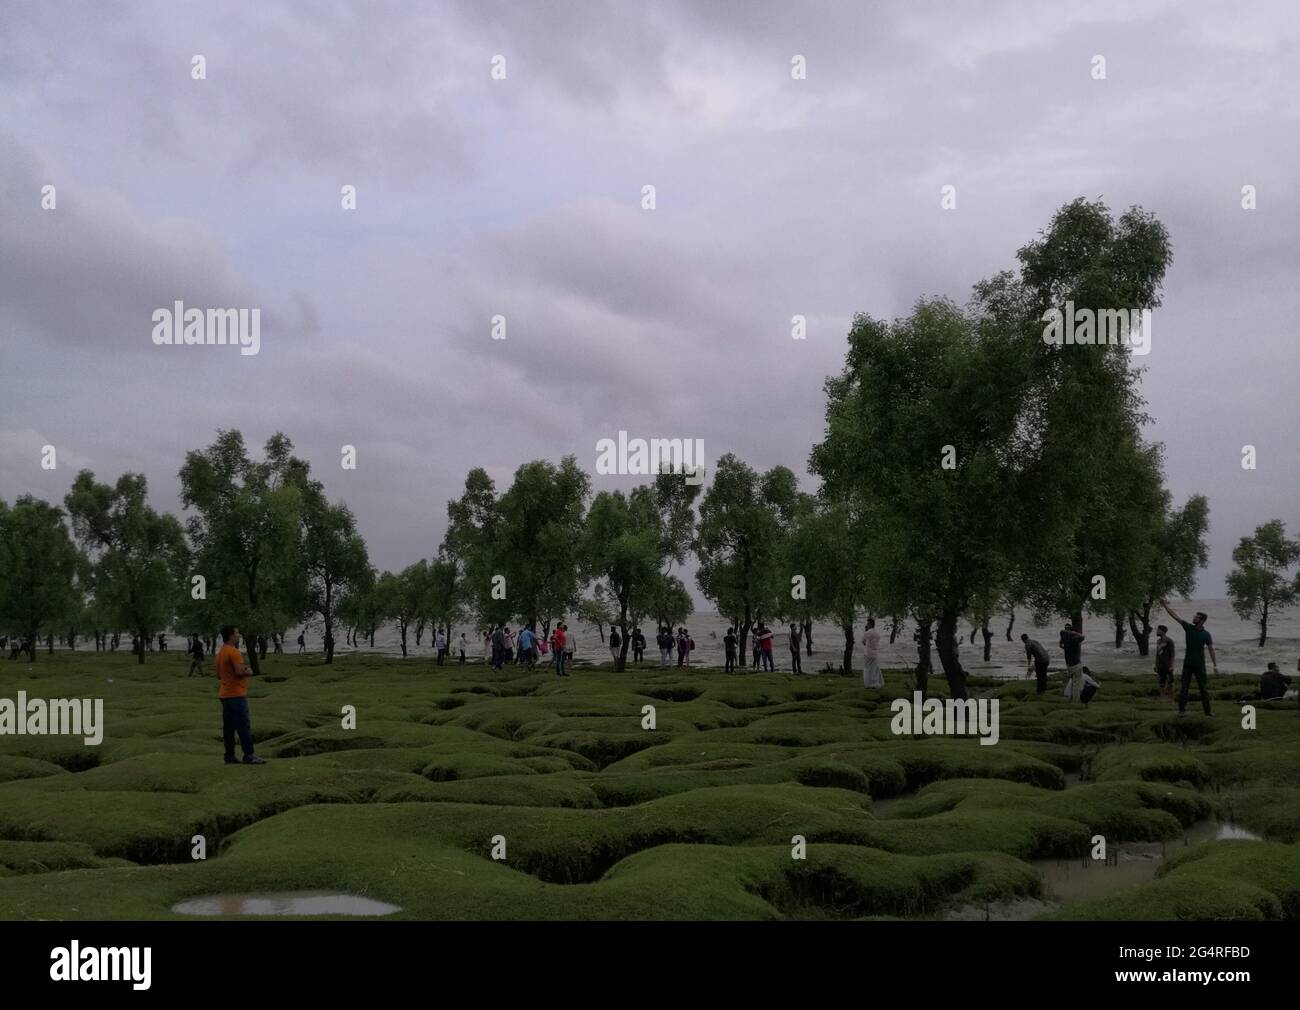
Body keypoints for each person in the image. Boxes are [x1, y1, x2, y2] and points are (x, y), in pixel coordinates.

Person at [1159, 599, 1217, 717]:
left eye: (1196, 617)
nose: (1194, 618)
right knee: (1184, 688)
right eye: (1194, 616)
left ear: (1201, 621)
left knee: (1203, 689)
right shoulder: (1189, 628)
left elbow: (1211, 649)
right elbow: (1175, 616)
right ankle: (1181, 711)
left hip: (1200, 665)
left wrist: (1215, 665)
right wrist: (1165, 605)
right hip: (1188, 664)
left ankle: (1208, 711)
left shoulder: (1206, 634)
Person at [216, 625, 265, 765]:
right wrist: (248, 670)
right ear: (231, 635)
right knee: (243, 725)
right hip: (236, 695)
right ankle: (249, 755)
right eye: (237, 632)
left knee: (229, 727)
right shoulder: (234, 652)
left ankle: (229, 756)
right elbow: (239, 672)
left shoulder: (221, 652)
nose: (239, 635)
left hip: (225, 694)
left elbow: (219, 675)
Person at [1059, 623, 1085, 703]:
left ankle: (1071, 698)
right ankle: (1076, 701)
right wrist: (1073, 632)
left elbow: (1060, 645)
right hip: (1076, 664)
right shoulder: (1074, 639)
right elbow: (1082, 636)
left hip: (1069, 664)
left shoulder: (1064, 638)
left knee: (1073, 682)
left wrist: (1066, 632)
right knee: (1076, 683)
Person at [1154, 625, 1175, 702]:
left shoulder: (1169, 641)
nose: (1156, 632)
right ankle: (1161, 698)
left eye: (1158, 630)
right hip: (1160, 665)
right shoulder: (1158, 641)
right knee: (1161, 682)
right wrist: (1155, 665)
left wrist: (1171, 665)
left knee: (1170, 682)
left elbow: (1172, 654)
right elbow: (1157, 654)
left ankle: (1171, 698)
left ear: (1163, 631)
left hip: (1167, 665)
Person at [863, 618, 884, 688]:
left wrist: (866, 631)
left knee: (868, 668)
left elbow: (863, 642)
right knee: (874, 669)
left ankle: (868, 683)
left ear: (870, 624)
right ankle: (876, 682)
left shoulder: (867, 633)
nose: (866, 625)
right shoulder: (877, 634)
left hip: (868, 653)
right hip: (875, 653)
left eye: (867, 623)